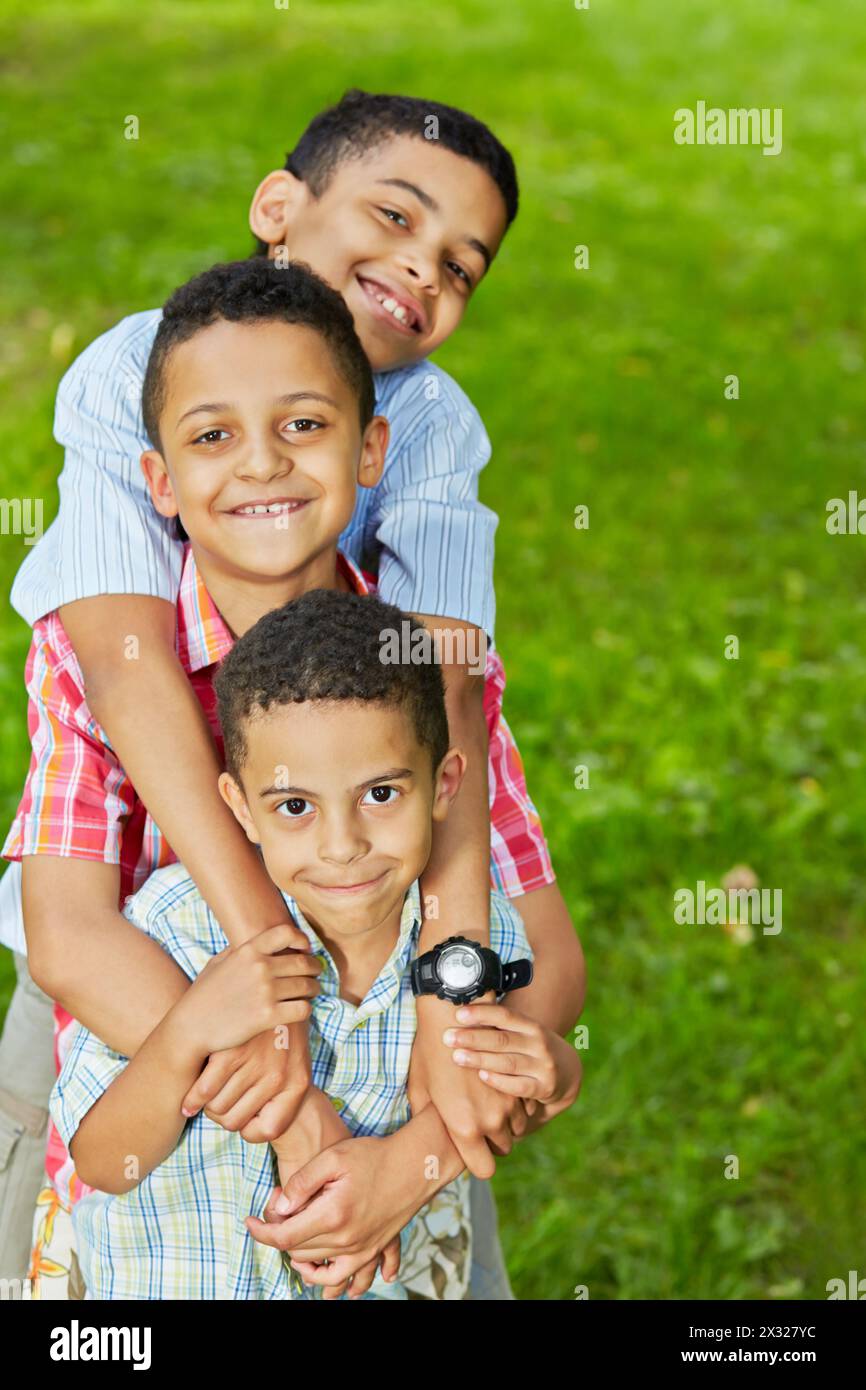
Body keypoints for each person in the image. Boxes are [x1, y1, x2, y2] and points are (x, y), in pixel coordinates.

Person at [0, 90, 584, 1294]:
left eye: (457, 264)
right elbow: (116, 681)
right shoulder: (126, 374)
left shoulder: (429, 428)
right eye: (393, 217)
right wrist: (284, 1072)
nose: (417, 270)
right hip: (131, 1058)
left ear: (365, 450)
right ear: (280, 208)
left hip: (382, 1098)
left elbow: (452, 708)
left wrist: (437, 1069)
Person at [53, 587, 580, 1300]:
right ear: (239, 807)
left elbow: (504, 1095)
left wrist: (555, 1069)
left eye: (381, 795)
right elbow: (103, 1162)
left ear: (445, 784)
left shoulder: (463, 953)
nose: (342, 846)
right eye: (295, 807)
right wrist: (186, 1036)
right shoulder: (175, 928)